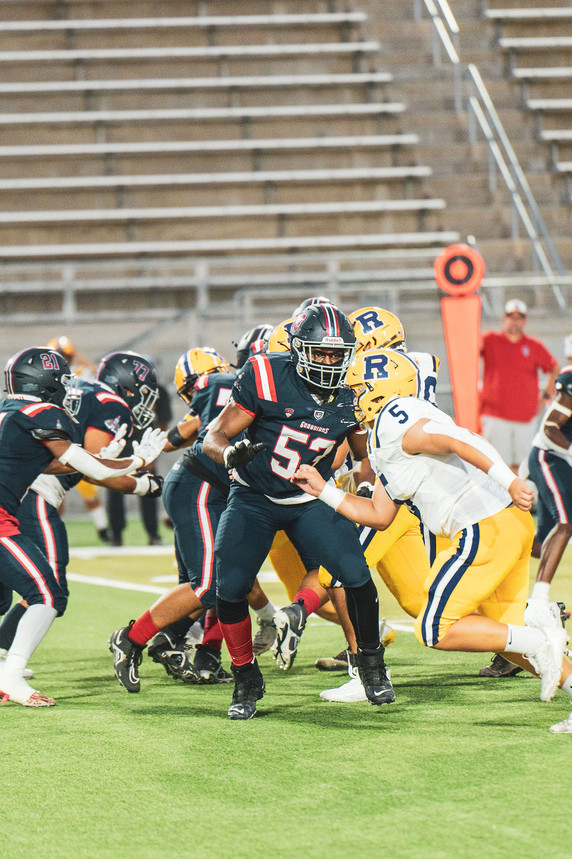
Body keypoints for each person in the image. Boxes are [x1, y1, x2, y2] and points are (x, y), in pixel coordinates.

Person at [292, 347, 572, 733]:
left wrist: (509, 479)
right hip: (502, 526)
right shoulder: (382, 435)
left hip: (483, 526)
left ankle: (543, 635)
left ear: (377, 391)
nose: (349, 396)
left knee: (434, 628)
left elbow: (458, 439)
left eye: (356, 388)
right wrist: (324, 490)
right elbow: (379, 514)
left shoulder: (395, 415)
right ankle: (552, 656)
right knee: (503, 635)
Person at [203, 303, 394, 720]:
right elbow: (213, 436)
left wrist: (363, 485)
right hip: (254, 497)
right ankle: (245, 676)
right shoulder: (265, 374)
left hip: (312, 499)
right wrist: (230, 454)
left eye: (335, 354)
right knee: (229, 588)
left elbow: (367, 455)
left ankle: (371, 663)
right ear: (296, 349)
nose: (328, 362)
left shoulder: (353, 390)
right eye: (319, 352)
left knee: (357, 577)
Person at [0, 346, 166, 707]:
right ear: (46, 384)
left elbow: (42, 464)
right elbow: (99, 473)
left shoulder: (10, 412)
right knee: (48, 595)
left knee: (5, 598)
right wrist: (140, 461)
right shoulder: (42, 413)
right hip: (5, 518)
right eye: (60, 380)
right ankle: (9, 677)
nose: (66, 387)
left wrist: (102, 460)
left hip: (11, 511)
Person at [108, 343, 278, 692]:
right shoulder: (224, 384)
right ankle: (131, 639)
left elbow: (181, 434)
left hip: (210, 489)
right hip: (201, 488)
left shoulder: (231, 385)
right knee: (208, 585)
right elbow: (194, 430)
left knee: (225, 581)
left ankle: (198, 652)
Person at [95, 351, 167, 546]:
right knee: (114, 487)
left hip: (142, 445)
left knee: (146, 487)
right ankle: (116, 533)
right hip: (118, 447)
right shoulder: (97, 404)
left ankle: (152, 533)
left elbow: (162, 423)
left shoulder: (156, 394)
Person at [480, 299, 559, 473]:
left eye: (519, 317)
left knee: (524, 467)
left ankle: (521, 501)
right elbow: (468, 350)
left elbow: (554, 368)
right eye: (511, 316)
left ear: (524, 321)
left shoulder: (533, 345)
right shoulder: (490, 340)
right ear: (504, 318)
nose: (514, 320)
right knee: (495, 465)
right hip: (495, 415)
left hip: (525, 416)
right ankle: (500, 501)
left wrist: (545, 397)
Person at [46, 335, 111, 543]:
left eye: (67, 355)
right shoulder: (45, 378)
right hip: (53, 433)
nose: (65, 359)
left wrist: (81, 360)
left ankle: (102, 530)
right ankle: (49, 528)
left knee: (89, 484)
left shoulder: (81, 373)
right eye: (61, 356)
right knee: (51, 490)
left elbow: (98, 379)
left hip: (77, 434)